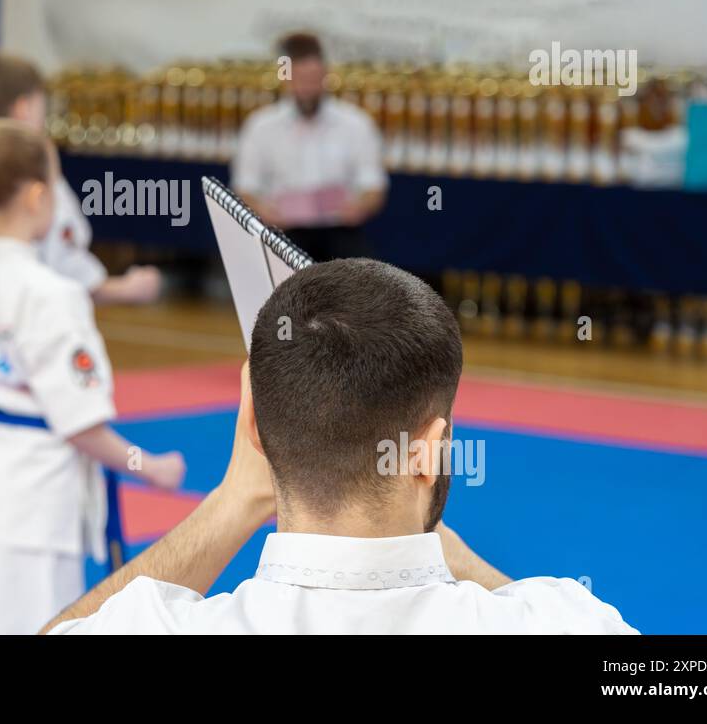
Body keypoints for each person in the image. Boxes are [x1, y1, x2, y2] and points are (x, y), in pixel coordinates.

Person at [43, 259, 637, 634]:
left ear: (251, 424)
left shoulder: (150, 625)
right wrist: (449, 554)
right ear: (429, 451)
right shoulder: (567, 622)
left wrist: (234, 500)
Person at [0, 120, 186, 635]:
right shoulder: (52, 294)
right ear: (38, 195)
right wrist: (150, 467)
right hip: (32, 500)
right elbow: (79, 423)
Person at [0, 52, 161, 304]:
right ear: (23, 108)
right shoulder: (33, 170)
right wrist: (122, 289)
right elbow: (62, 249)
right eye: (41, 102)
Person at [232, 32, 387, 261]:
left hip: (339, 233)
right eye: (300, 80)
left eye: (314, 80)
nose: (307, 89)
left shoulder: (356, 124)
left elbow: (374, 187)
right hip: (282, 233)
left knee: (365, 282)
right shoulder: (261, 126)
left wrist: (360, 206)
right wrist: (264, 211)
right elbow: (245, 187)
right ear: (285, 77)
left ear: (326, 75)